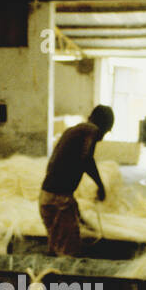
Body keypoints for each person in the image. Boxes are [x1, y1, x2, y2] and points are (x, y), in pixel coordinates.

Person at [39, 105, 114, 256]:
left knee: (56, 247)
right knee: (69, 253)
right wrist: (100, 185)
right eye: (107, 131)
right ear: (103, 124)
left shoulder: (72, 131)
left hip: (46, 198)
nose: (103, 136)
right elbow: (87, 159)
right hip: (59, 201)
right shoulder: (90, 130)